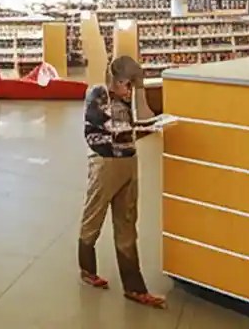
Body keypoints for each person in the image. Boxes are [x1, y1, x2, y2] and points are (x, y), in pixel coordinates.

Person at [78, 56, 165, 308]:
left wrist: (140, 97)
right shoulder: (97, 93)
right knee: (93, 216)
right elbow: (95, 133)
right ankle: (87, 268)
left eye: (132, 85)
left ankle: (134, 288)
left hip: (129, 162)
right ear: (116, 80)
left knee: (127, 223)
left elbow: (140, 119)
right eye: (128, 84)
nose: (129, 90)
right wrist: (131, 126)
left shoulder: (128, 98)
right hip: (106, 163)